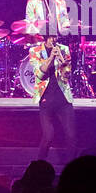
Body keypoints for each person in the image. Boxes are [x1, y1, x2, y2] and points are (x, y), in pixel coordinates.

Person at [28, 34, 77, 162]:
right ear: (44, 38)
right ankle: (39, 163)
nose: (53, 40)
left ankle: (71, 168)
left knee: (71, 136)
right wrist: (51, 57)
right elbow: (40, 74)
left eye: (55, 37)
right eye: (50, 37)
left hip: (63, 99)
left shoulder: (64, 49)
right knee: (48, 136)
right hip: (46, 99)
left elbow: (67, 74)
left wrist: (61, 58)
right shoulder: (35, 51)